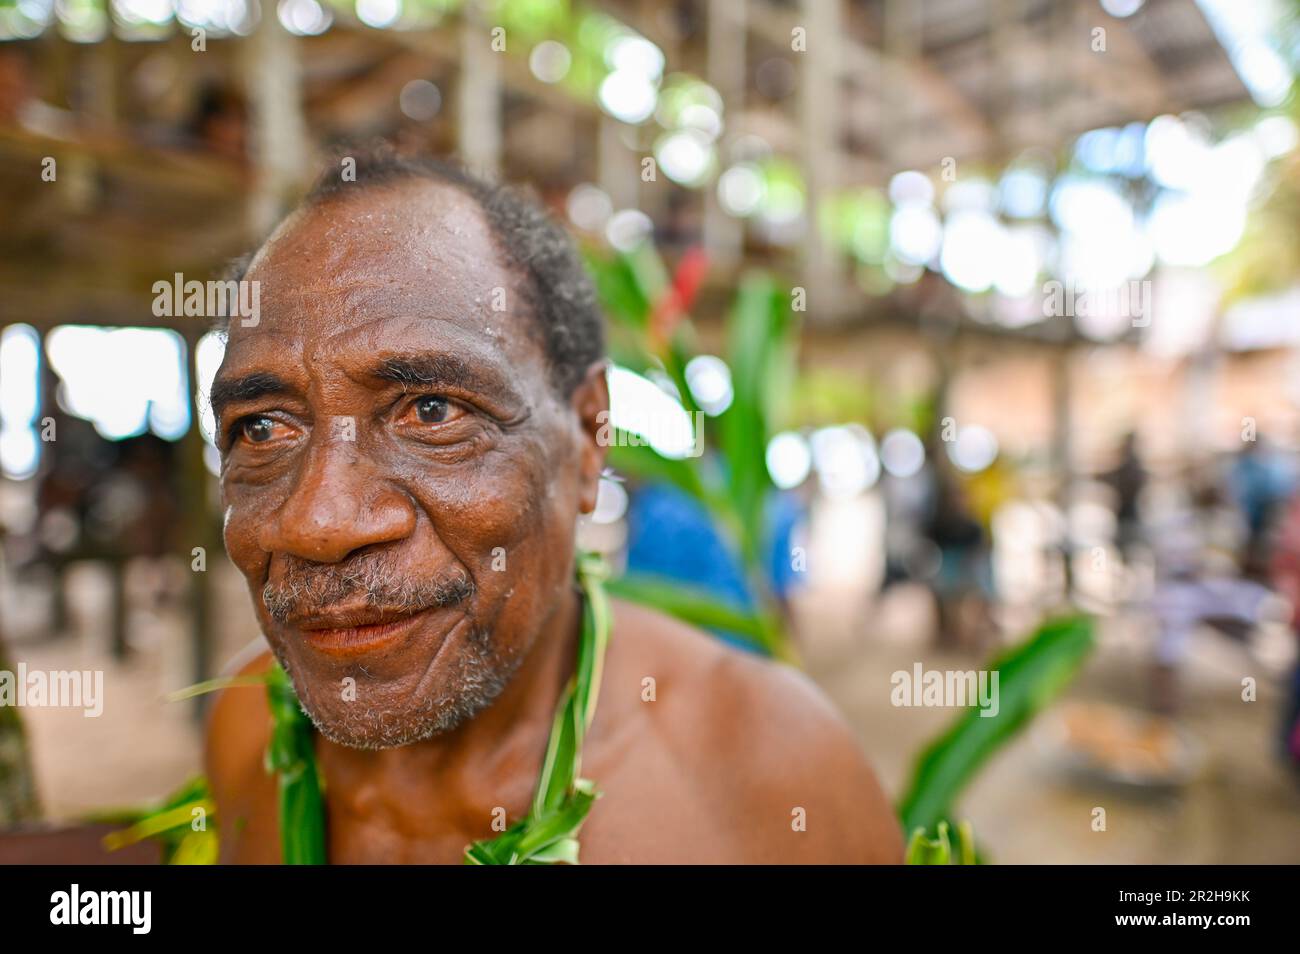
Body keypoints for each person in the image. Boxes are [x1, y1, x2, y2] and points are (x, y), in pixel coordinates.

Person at [203, 149, 902, 864]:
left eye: (433, 410)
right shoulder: (248, 724)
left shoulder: (773, 778)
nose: (317, 523)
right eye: (262, 428)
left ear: (590, 439)